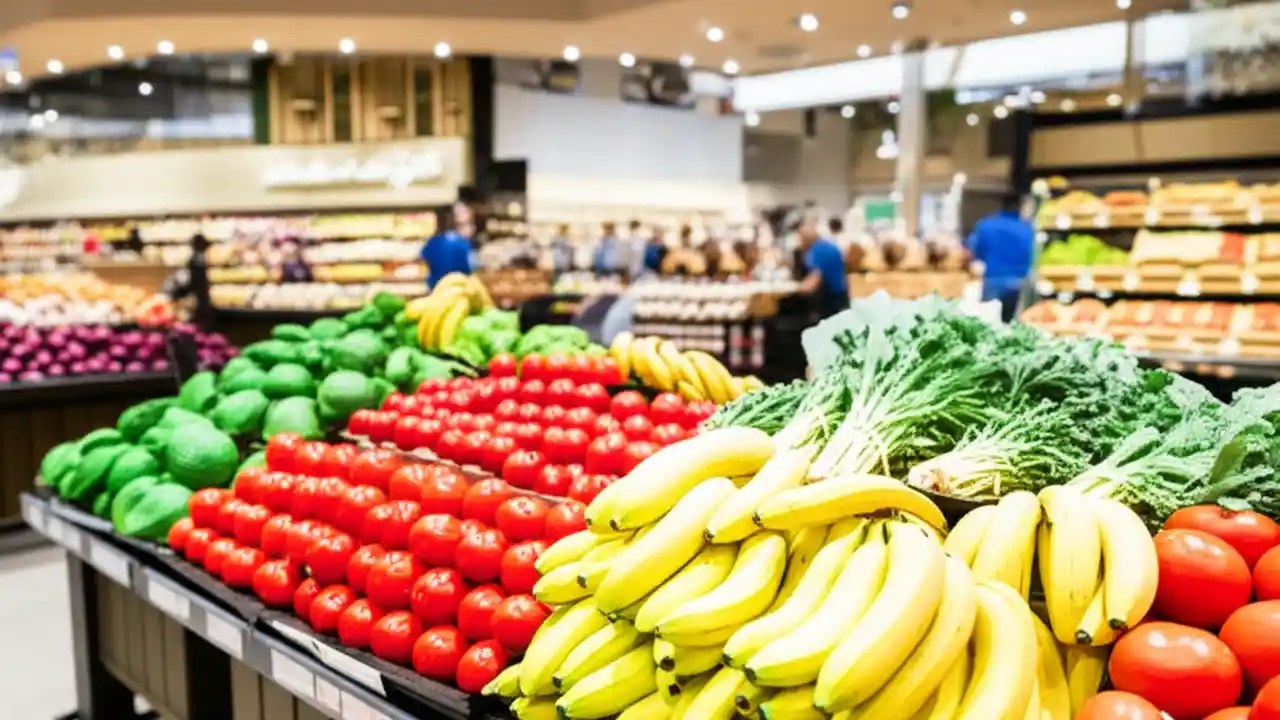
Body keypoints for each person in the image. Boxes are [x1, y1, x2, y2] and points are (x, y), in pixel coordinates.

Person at [968, 192, 1034, 321]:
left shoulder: (985, 225)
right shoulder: (1027, 228)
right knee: (1012, 325)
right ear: (1020, 207)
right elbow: (1032, 256)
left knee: (989, 323)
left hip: (992, 280)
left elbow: (976, 251)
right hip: (1018, 282)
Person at [797, 220, 850, 318]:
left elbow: (815, 279)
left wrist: (797, 288)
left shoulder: (817, 251)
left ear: (805, 239)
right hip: (842, 294)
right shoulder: (829, 246)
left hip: (830, 298)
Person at [421, 207, 473, 289]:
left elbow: (424, 260)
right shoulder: (463, 242)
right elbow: (470, 267)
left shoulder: (432, 242)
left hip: (437, 287)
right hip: (459, 287)